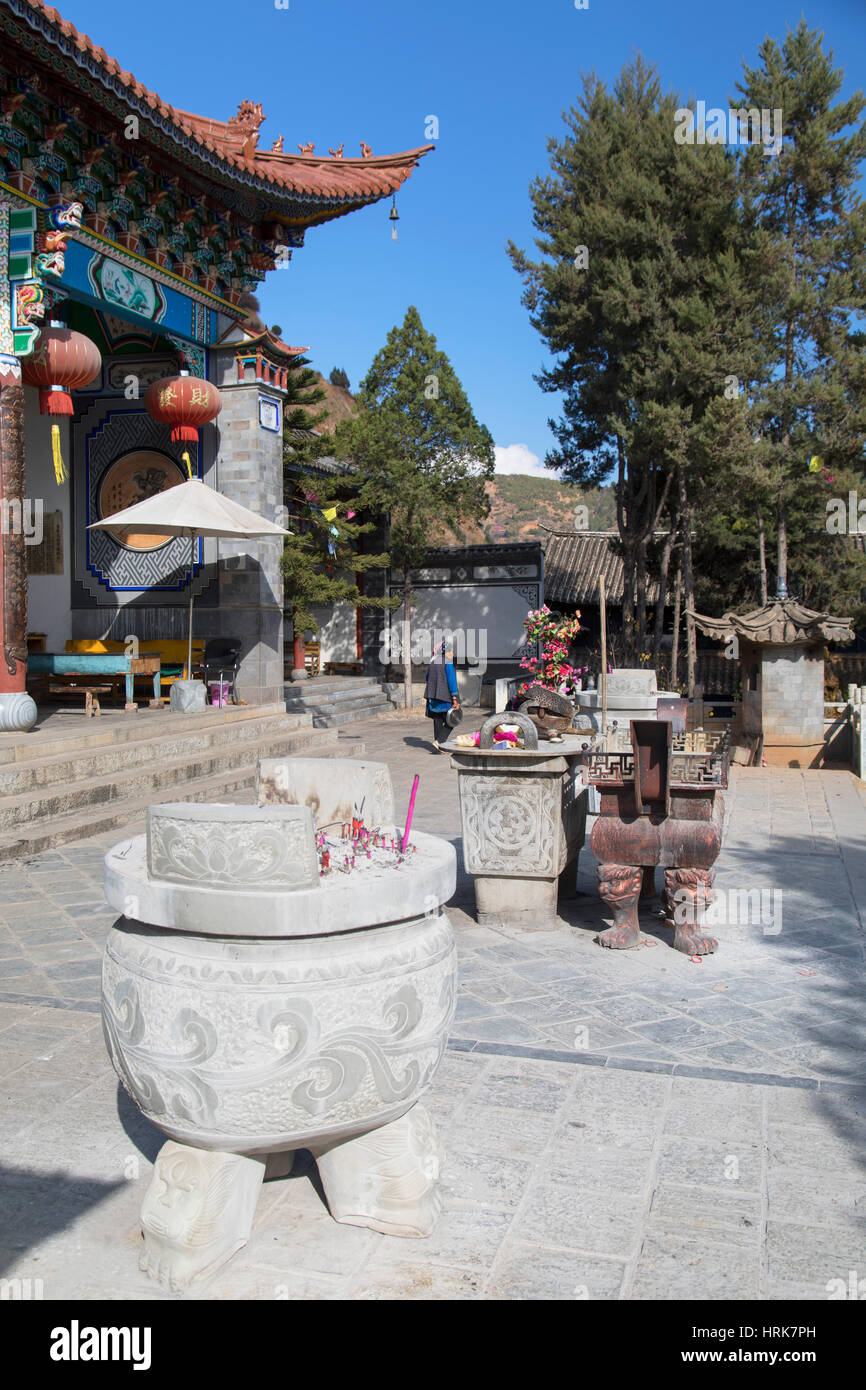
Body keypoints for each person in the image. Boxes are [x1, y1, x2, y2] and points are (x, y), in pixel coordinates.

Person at [424, 642, 460, 752]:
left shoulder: (433, 661)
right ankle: (439, 742)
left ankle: (439, 746)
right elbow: (452, 681)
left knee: (438, 719)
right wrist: (455, 697)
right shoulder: (448, 662)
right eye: (452, 651)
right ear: (447, 651)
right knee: (452, 721)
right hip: (444, 697)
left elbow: (427, 678)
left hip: (433, 697)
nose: (453, 654)